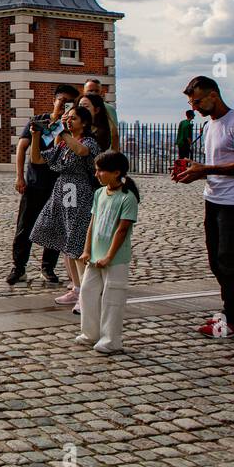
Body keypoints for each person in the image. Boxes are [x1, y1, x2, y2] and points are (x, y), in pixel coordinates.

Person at [176, 76, 234, 338]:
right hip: (213, 198)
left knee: (230, 261)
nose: (195, 107)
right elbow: (215, 163)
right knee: (215, 262)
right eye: (192, 102)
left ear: (214, 95)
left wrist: (206, 170)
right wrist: (195, 170)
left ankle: (233, 319)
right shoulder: (210, 126)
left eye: (198, 101)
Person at [9, 83, 81, 286]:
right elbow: (22, 148)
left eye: (70, 103)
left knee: (56, 228)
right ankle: (19, 267)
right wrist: (19, 176)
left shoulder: (71, 128)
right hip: (34, 183)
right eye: (62, 101)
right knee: (24, 227)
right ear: (54, 101)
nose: (65, 106)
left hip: (59, 184)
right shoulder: (38, 121)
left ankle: (47, 268)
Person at [31, 105, 101, 314]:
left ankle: (86, 293)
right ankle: (76, 287)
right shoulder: (62, 145)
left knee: (77, 242)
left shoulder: (88, 142)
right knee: (65, 241)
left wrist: (60, 132)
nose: (69, 121)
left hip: (80, 193)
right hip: (63, 192)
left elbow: (82, 151)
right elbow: (38, 159)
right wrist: (36, 136)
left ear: (85, 123)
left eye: (74, 119)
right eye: (67, 118)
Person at [76, 151, 140, 355]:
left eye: (101, 171)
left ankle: (111, 339)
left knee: (112, 299)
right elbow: (92, 224)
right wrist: (87, 250)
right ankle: (90, 333)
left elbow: (122, 230)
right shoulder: (99, 194)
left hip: (115, 259)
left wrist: (109, 257)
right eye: (96, 170)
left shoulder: (127, 198)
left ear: (116, 172)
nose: (97, 174)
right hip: (94, 257)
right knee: (87, 293)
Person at [82, 79, 119, 151]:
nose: (93, 93)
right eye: (90, 91)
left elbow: (114, 135)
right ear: (84, 92)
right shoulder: (77, 108)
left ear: (101, 92)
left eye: (96, 91)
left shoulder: (109, 109)